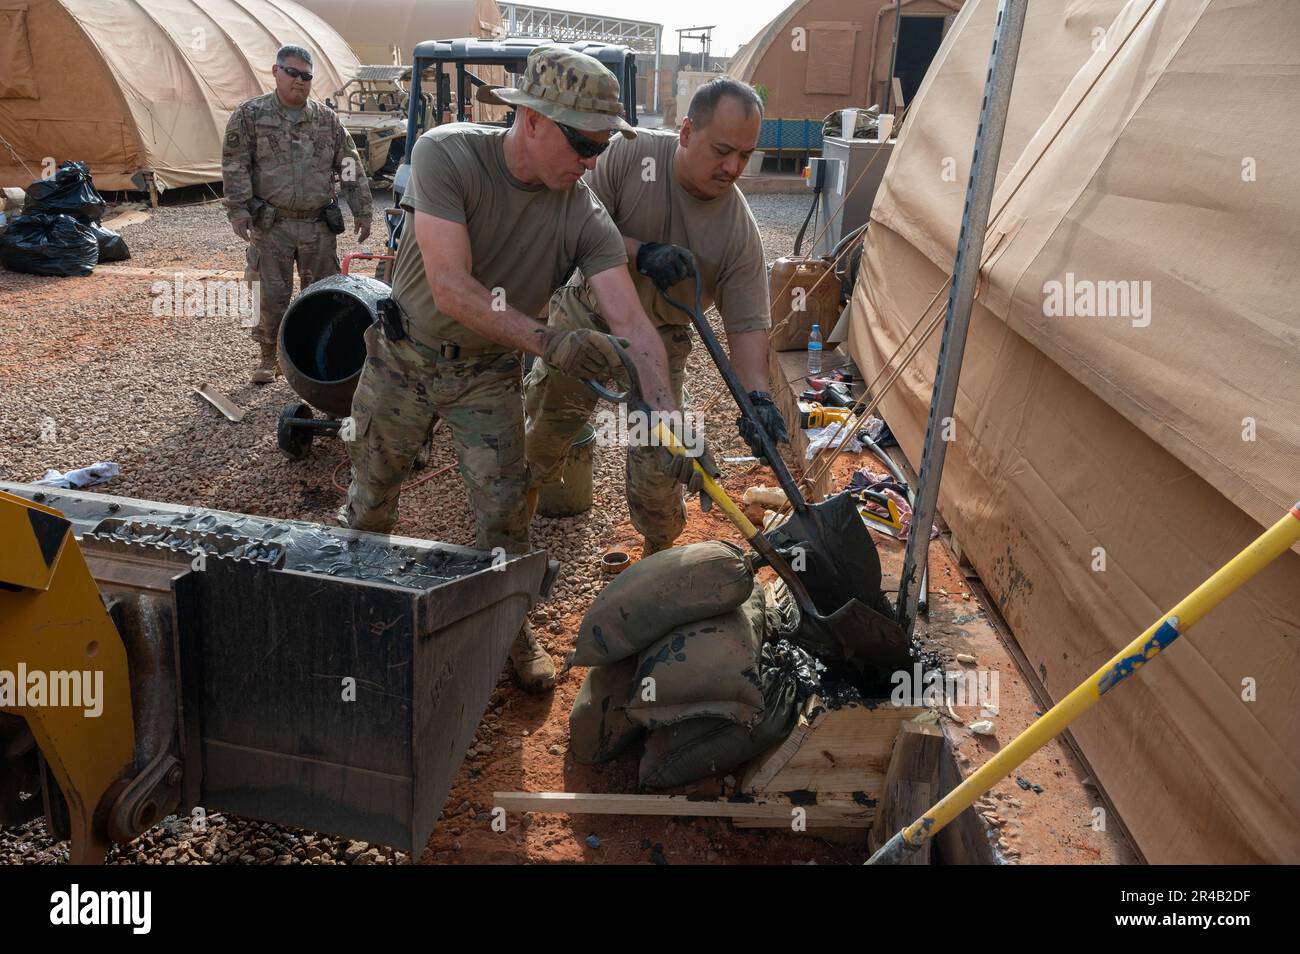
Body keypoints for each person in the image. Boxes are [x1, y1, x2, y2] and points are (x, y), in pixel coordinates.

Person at [338, 47, 711, 693]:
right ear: (533, 119)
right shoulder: (447, 154)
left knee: (505, 517)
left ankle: (511, 631)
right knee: (372, 501)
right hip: (405, 357)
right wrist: (554, 343)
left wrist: (668, 418)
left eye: (602, 147)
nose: (593, 160)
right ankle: (354, 619)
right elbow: (451, 286)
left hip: (486, 373)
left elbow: (632, 321)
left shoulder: (582, 211)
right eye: (583, 143)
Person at [524, 76, 788, 557]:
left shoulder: (738, 231)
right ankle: (510, 548)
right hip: (587, 320)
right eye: (722, 150)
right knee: (542, 440)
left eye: (745, 156)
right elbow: (568, 226)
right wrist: (637, 252)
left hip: (661, 344)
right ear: (686, 133)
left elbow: (748, 324)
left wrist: (758, 397)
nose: (732, 167)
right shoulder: (631, 155)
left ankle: (659, 564)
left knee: (664, 462)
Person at [222, 45, 373, 383]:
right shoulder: (250, 115)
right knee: (269, 294)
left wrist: (362, 209)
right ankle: (267, 358)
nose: (299, 81)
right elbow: (235, 165)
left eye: (306, 76)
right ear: (275, 71)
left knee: (322, 295)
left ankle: (316, 362)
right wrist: (238, 210)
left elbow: (349, 164)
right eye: (292, 73)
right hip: (271, 224)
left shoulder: (326, 119)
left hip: (317, 226)